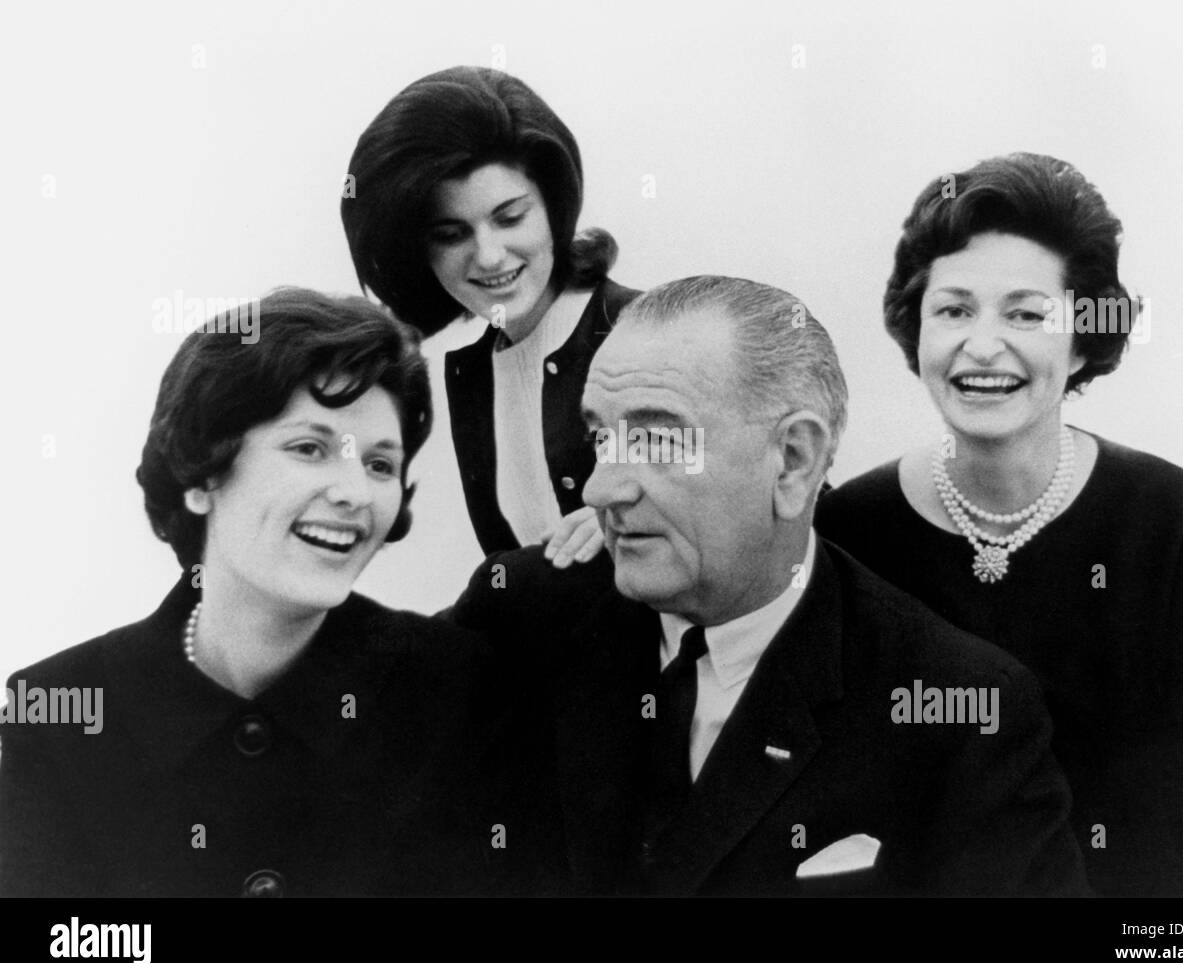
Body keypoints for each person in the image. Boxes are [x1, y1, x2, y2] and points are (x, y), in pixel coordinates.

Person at [452, 275, 1087, 896]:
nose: (599, 489)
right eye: (600, 437)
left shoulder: (958, 712)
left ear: (793, 460)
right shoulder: (517, 617)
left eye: (656, 438)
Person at [815, 152, 1183, 897]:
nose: (983, 345)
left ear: (1082, 339)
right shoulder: (855, 525)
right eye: (953, 309)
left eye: (1025, 312)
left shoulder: (1166, 517)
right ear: (916, 330)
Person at [0, 289, 499, 897]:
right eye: (309, 449)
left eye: (379, 464)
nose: (354, 494)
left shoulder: (463, 692)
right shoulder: (56, 711)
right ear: (202, 475)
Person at [342, 66, 639, 566]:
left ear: (553, 205)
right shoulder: (473, 372)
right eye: (451, 234)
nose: (489, 257)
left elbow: (788, 501)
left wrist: (655, 509)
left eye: (510, 217)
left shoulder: (652, 329)